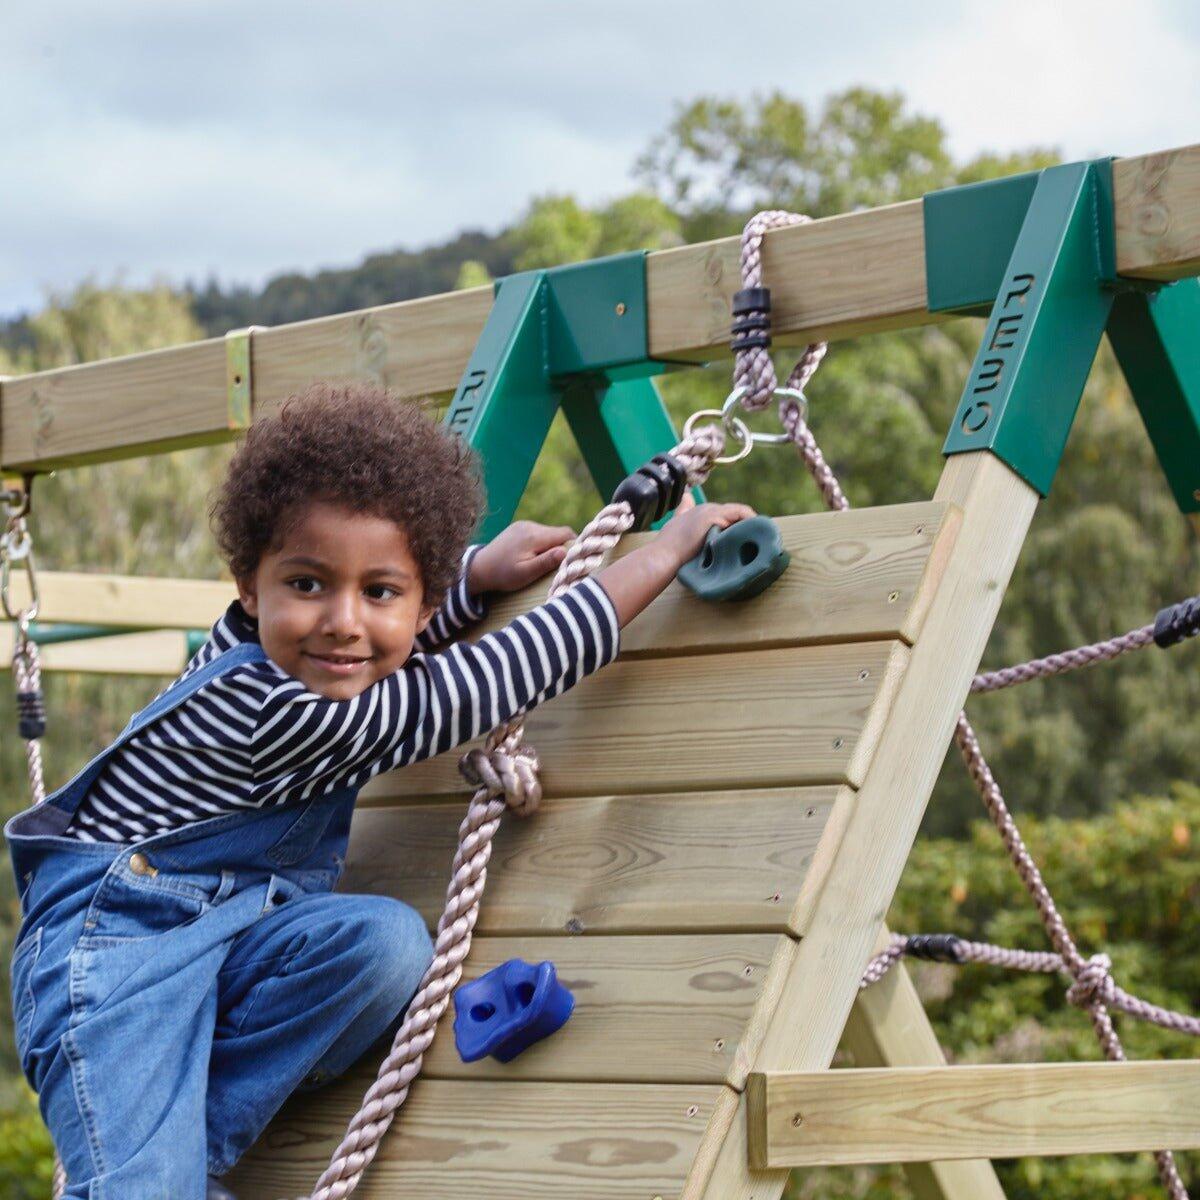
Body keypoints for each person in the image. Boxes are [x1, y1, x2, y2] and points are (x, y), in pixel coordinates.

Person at [5, 382, 753, 1200]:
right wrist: (664, 550)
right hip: (113, 956)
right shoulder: (271, 710)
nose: (342, 620)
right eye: (306, 585)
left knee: (385, 946)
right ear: (248, 589)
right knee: (134, 1189)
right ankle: (160, 1173)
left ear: (419, 599)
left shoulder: (311, 653)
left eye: (381, 592)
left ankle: (190, 1153)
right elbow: (486, 680)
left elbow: (376, 645)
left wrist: (472, 579)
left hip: (221, 937)